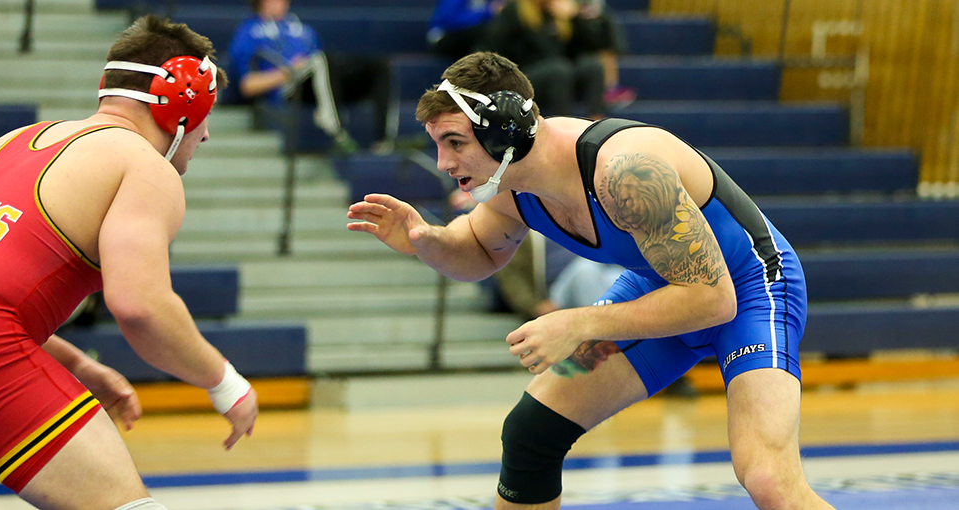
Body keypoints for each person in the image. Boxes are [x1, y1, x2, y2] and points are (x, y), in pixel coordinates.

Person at [347, 52, 834, 509]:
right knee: (532, 432)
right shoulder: (511, 185)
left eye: (455, 143)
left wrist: (577, 323)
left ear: (505, 130)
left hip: (750, 288)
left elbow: (714, 301)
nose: (444, 163)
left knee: (768, 480)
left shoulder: (625, 171)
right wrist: (425, 240)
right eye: (438, 145)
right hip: (663, 288)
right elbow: (476, 253)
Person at [0, 15, 258, 510]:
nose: (207, 133)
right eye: (206, 113)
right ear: (183, 103)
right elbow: (139, 307)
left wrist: (75, 363)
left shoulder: (8, 143)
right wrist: (225, 384)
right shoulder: (142, 165)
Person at [228, 0, 394, 154]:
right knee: (319, 61)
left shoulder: (302, 29)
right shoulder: (249, 31)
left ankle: (385, 140)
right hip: (288, 88)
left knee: (379, 66)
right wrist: (289, 71)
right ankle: (334, 128)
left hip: (317, 80)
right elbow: (247, 85)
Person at [477, 0, 607, 118]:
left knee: (592, 66)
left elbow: (591, 46)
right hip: (524, 76)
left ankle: (595, 121)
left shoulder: (560, 12)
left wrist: (575, 18)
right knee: (558, 70)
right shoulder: (515, 11)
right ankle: (563, 124)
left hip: (561, 73)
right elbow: (491, 48)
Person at [427, 0, 505, 61]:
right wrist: (488, 11)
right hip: (446, 36)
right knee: (486, 31)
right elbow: (450, 21)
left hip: (473, 38)